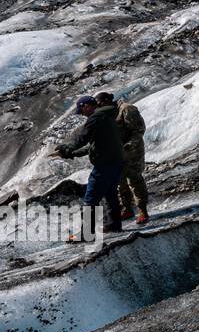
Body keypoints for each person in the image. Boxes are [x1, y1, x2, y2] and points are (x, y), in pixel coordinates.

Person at [48, 94, 124, 240]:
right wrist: (72, 153)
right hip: (116, 161)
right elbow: (93, 146)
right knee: (110, 194)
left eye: (82, 111)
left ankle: (87, 234)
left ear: (87, 106)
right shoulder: (108, 116)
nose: (82, 114)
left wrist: (65, 148)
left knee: (91, 197)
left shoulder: (95, 118)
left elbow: (81, 140)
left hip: (104, 164)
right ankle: (114, 225)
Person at [96, 91, 149, 226]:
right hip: (117, 153)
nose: (99, 106)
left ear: (107, 100)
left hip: (132, 152)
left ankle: (142, 211)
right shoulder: (106, 113)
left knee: (134, 180)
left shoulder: (126, 109)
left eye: (100, 103)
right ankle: (127, 209)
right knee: (120, 181)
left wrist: (129, 146)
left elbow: (138, 130)